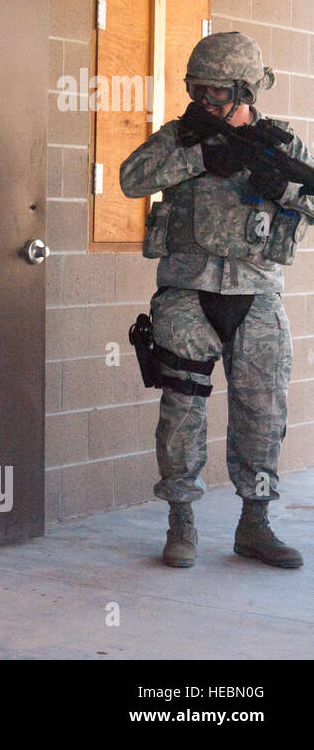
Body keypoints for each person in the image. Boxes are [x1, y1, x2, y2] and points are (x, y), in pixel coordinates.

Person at [120, 30, 308, 569]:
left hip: (257, 295)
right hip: (187, 293)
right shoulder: (182, 136)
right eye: (196, 90)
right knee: (181, 411)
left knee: (264, 411)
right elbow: (131, 179)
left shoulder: (283, 144)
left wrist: (283, 187)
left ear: (247, 90)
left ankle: (256, 523)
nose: (205, 102)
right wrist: (200, 156)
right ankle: (181, 522)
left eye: (218, 94)